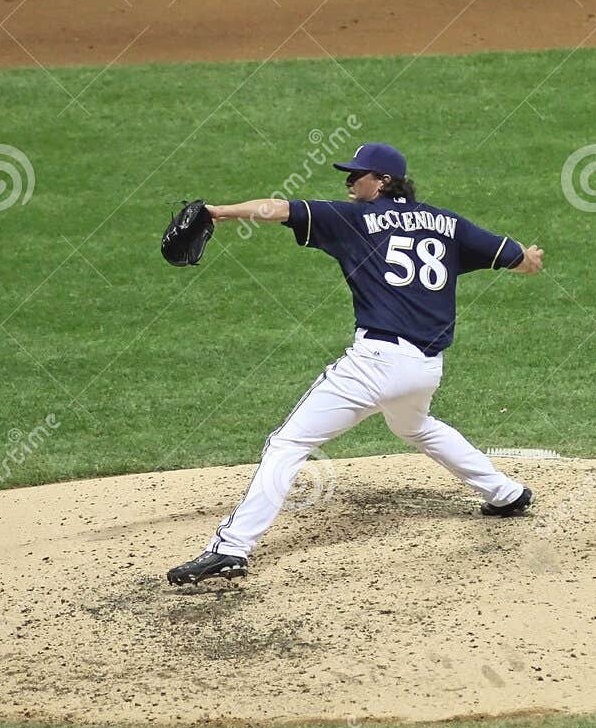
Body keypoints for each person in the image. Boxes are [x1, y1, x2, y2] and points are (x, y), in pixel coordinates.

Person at [166, 142, 544, 586]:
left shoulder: (354, 219)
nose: (348, 181)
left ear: (382, 181)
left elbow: (279, 208)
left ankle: (231, 549)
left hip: (374, 363)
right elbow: (519, 259)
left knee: (286, 445)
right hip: (424, 370)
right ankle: (506, 493)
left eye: (357, 174)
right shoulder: (448, 224)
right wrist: (530, 257)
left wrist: (217, 211)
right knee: (415, 427)